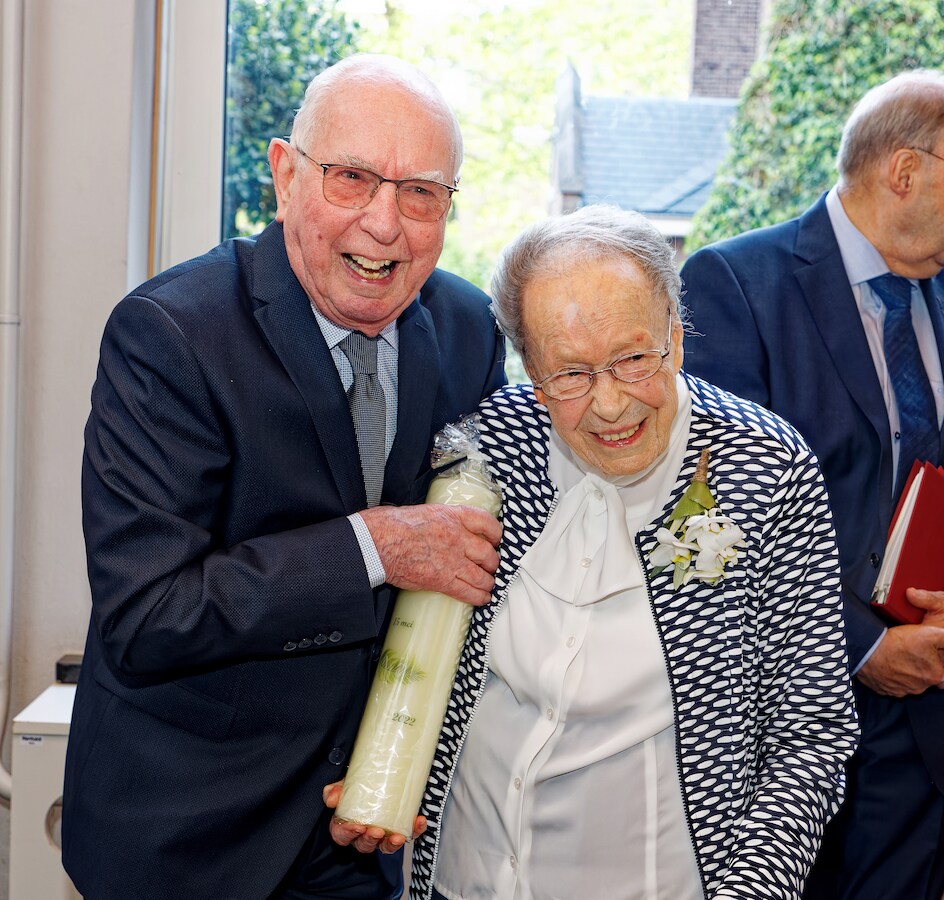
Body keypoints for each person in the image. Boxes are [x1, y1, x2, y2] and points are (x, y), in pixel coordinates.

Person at [61, 54, 505, 900]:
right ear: (283, 173)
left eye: (421, 193)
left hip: (362, 831)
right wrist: (374, 548)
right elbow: (149, 614)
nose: (386, 224)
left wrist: (405, 766)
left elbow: (468, 569)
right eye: (353, 179)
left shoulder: (469, 328)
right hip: (186, 840)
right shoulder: (170, 336)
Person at [337, 204, 857, 899]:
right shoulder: (490, 447)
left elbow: (812, 729)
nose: (610, 405)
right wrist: (379, 775)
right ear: (530, 368)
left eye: (635, 358)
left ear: (674, 329)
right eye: (571, 375)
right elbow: (415, 647)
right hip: (465, 881)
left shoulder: (764, 466)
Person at [679, 69, 944, 900]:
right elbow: (710, 520)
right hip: (799, 717)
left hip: (928, 720)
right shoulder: (733, 283)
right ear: (904, 171)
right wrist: (863, 647)